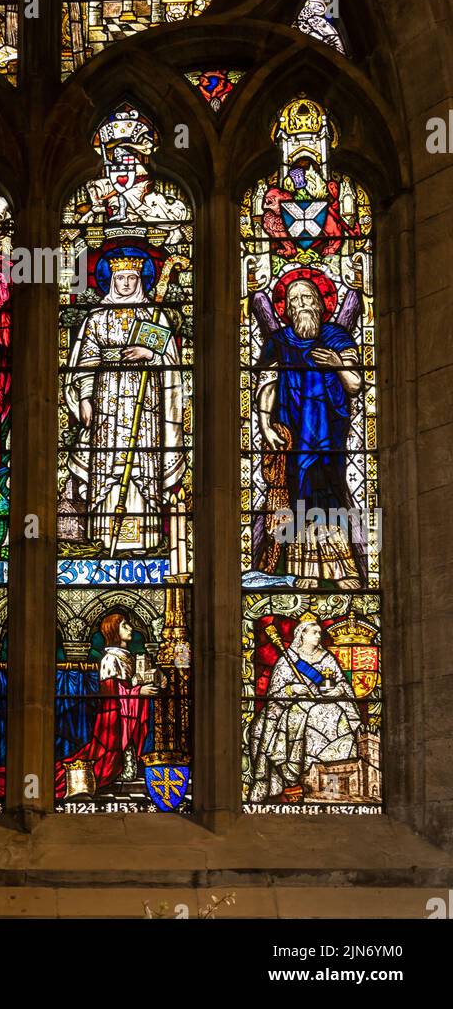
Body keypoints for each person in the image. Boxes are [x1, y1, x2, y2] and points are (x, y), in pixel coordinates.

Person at [64, 249, 186, 557]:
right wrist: (86, 399)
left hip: (145, 404)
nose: (127, 284)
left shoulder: (153, 316)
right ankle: (106, 537)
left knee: (142, 463)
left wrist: (150, 354)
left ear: (140, 280)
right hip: (106, 397)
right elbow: (86, 363)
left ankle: (143, 538)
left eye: (132, 278)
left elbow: (172, 362)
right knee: (108, 463)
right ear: (111, 281)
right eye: (121, 278)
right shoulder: (96, 318)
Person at [256, 274, 364, 585]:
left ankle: (341, 568)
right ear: (287, 309)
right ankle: (304, 570)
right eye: (294, 300)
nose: (301, 304)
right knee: (298, 494)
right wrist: (265, 425)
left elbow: (355, 384)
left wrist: (335, 362)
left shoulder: (336, 336)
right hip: (293, 431)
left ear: (318, 304)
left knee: (330, 491)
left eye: (307, 298)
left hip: (330, 432)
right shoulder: (279, 341)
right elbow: (267, 385)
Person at [248, 618, 361, 803]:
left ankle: (331, 786)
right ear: (301, 635)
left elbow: (342, 683)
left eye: (319, 632)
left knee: (333, 721)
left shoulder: (327, 658)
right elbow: (274, 693)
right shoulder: (288, 660)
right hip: (290, 706)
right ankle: (281, 777)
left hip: (326, 704)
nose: (318, 636)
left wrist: (337, 690)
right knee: (267, 725)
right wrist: (291, 689)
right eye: (314, 632)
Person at [57, 611, 162, 796]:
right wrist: (138, 692)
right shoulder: (110, 659)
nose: (130, 628)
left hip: (127, 713)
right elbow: (113, 694)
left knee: (129, 763)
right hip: (115, 718)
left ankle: (125, 768)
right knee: (110, 761)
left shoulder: (128, 657)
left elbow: (130, 684)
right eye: (124, 625)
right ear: (114, 631)